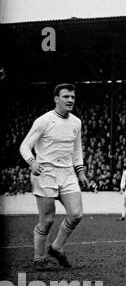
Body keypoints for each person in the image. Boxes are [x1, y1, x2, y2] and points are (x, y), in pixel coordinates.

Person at [19, 83, 92, 269]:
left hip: (67, 174)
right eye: (66, 96)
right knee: (48, 220)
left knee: (76, 214)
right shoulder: (44, 121)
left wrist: (80, 171)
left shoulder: (76, 122)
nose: (70, 100)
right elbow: (25, 146)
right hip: (46, 174)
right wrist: (32, 162)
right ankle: (39, 258)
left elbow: (77, 150)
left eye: (73, 97)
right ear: (56, 99)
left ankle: (57, 248)